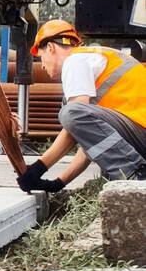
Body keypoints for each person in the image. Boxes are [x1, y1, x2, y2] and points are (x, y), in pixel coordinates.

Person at [16, 19, 146, 192]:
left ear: (50, 48)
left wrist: (39, 167)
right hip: (139, 132)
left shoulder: (75, 61)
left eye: (40, 58)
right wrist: (57, 183)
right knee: (73, 114)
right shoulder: (91, 60)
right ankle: (133, 173)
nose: (42, 65)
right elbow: (93, 143)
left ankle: (136, 175)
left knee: (70, 113)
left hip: (140, 132)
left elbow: (73, 121)